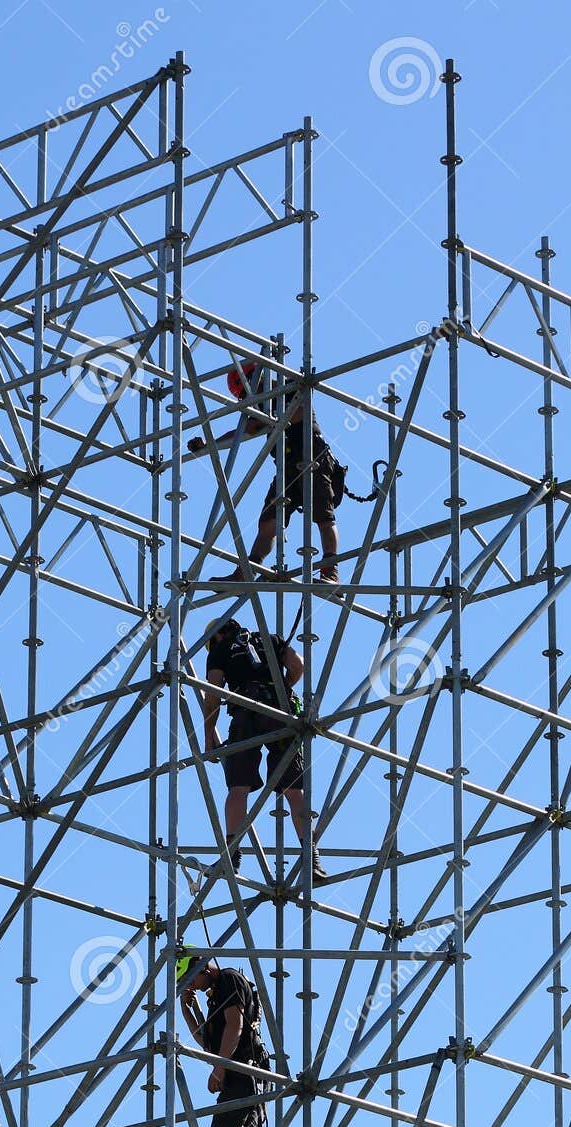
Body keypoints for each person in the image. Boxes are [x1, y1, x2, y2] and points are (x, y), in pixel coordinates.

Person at [188, 359, 341, 584]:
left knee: (323, 516)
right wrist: (208, 445)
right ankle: (247, 571)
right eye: (243, 397)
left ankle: (330, 572)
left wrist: (269, 417)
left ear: (256, 378)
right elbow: (243, 432)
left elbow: (299, 413)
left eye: (246, 392)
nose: (247, 400)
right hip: (287, 465)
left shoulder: (290, 387)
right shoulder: (262, 408)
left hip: (312, 455)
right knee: (269, 520)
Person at [203, 616, 328, 883]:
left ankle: (231, 857)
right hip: (281, 714)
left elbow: (212, 693)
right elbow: (297, 665)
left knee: (238, 788)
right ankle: (312, 857)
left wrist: (208, 734)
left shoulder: (220, 650)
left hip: (245, 715)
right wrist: (282, 690)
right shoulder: (269, 639)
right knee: (294, 790)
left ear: (216, 636)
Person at [176, 947, 273, 1127]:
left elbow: (235, 1026)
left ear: (202, 966)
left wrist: (219, 1069)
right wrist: (188, 1010)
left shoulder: (229, 979)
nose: (192, 985)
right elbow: (209, 1043)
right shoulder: (215, 995)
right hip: (245, 1074)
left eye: (191, 979)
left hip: (243, 1071)